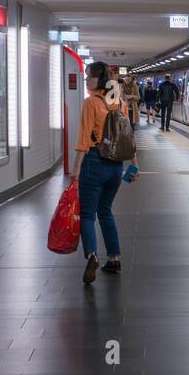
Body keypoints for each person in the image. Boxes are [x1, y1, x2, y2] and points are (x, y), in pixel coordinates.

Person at [70, 61, 140, 284]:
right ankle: (114, 258)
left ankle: (91, 255)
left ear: (98, 79)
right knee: (106, 211)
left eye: (88, 76)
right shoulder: (119, 102)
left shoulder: (91, 103)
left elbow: (83, 140)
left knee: (88, 214)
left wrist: (75, 170)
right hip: (116, 166)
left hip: (94, 162)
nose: (86, 80)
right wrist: (134, 165)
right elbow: (129, 138)